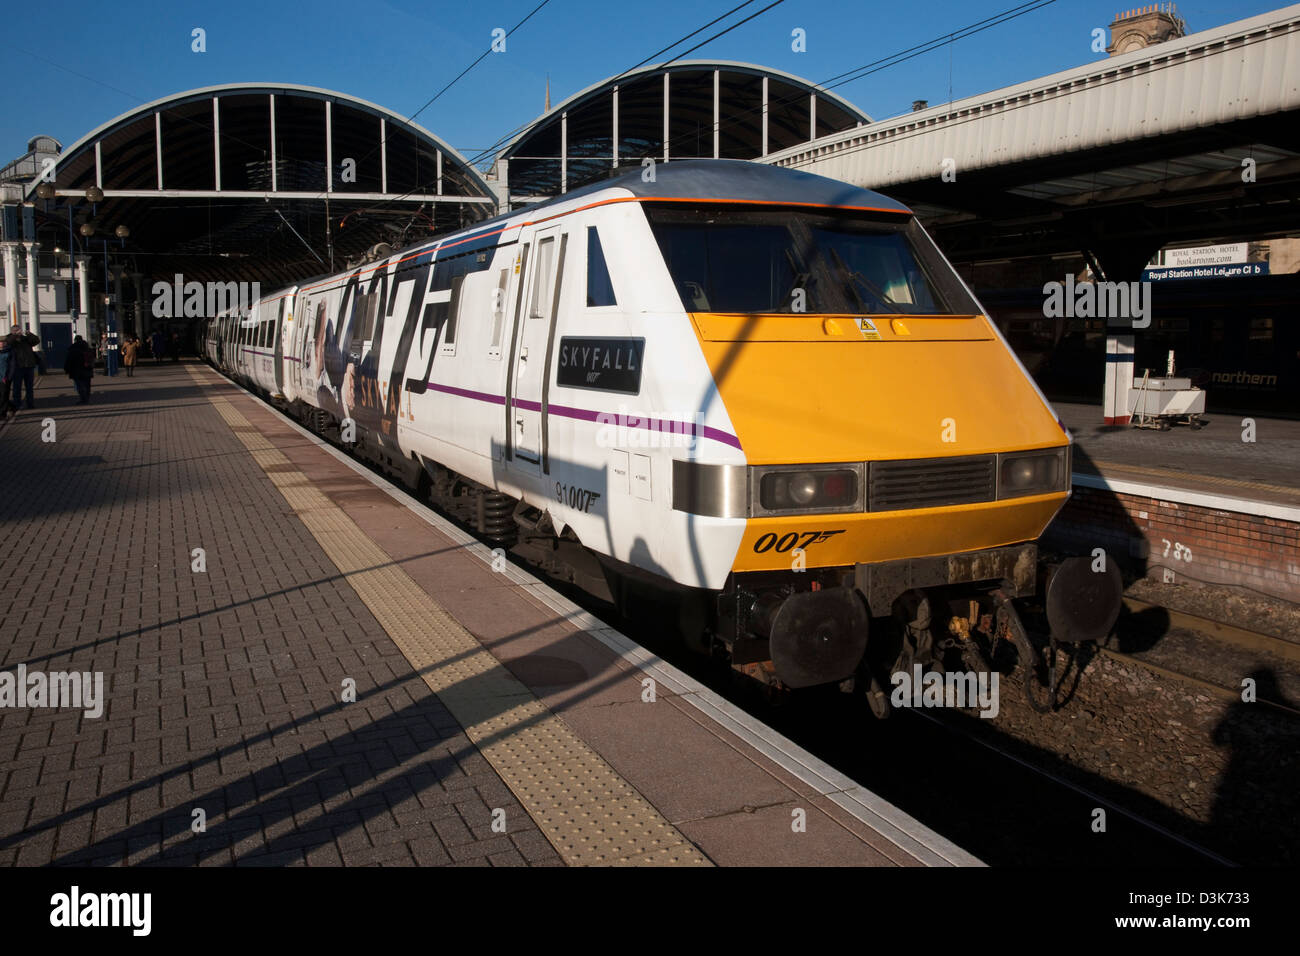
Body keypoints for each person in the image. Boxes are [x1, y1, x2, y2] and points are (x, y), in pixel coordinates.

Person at [5, 324, 39, 410]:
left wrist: (29, 334)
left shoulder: (25, 339)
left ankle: (30, 404)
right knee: (17, 387)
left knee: (29, 387)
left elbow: (36, 341)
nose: (18, 331)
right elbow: (9, 342)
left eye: (19, 330)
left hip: (29, 366)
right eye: (16, 330)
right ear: (12, 331)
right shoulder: (10, 338)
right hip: (17, 367)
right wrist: (15, 335)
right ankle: (17, 404)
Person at [64, 334, 94, 404]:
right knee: (87, 385)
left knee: (79, 385)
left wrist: (66, 369)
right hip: (87, 369)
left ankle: (83, 399)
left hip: (76, 370)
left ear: (75, 340)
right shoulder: (87, 348)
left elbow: (69, 360)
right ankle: (87, 399)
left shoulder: (73, 349)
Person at [0, 335, 11, 416]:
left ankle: (3, 413)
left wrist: (8, 376)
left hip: (4, 377)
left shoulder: (9, 352)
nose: (1, 343)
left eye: (3, 342)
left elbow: (12, 365)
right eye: (0, 342)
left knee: (4, 395)